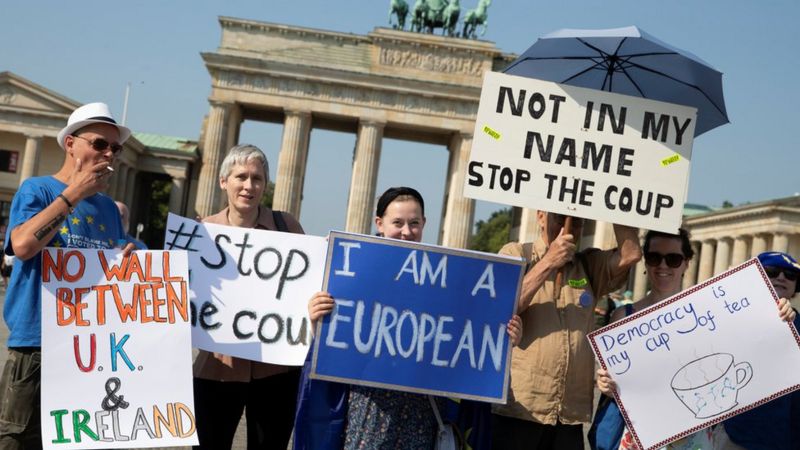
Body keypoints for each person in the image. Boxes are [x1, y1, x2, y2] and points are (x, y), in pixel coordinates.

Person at [297, 186, 523, 449]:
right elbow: (339, 347)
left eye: (414, 223)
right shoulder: (353, 275)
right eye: (397, 223)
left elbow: (468, 343)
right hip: (368, 413)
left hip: (422, 416)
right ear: (379, 224)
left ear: (424, 223)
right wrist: (320, 324)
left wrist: (503, 339)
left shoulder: (447, 280)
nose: (406, 231)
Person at [0, 102, 133, 449]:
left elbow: (109, 270)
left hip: (87, 349)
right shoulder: (38, 189)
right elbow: (23, 245)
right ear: (70, 143)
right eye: (99, 144)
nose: (109, 154)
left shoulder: (108, 208)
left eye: (115, 148)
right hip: (36, 345)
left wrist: (125, 260)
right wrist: (74, 193)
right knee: (16, 441)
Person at [595, 241, 798, 450]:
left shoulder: (706, 311)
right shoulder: (625, 315)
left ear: (686, 263)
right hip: (648, 429)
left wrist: (782, 315)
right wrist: (606, 383)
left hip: (705, 432)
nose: (663, 265)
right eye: (655, 258)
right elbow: (613, 376)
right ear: (646, 261)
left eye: (673, 259)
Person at [491, 212, 642, 450]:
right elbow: (500, 306)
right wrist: (549, 261)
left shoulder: (588, 264)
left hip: (569, 413)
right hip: (522, 407)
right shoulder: (516, 254)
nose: (569, 228)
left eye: (578, 222)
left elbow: (631, 254)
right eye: (559, 219)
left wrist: (616, 205)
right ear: (541, 217)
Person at [192, 144, 304, 450]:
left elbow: (304, 287)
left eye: (257, 178)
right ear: (223, 180)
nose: (249, 185)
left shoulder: (288, 227)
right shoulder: (200, 232)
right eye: (241, 176)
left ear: (265, 186)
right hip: (216, 369)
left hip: (276, 371)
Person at [712, 250, 800, 450]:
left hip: (787, 436)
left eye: (790, 275)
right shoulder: (731, 318)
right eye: (771, 271)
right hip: (736, 434)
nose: (781, 278)